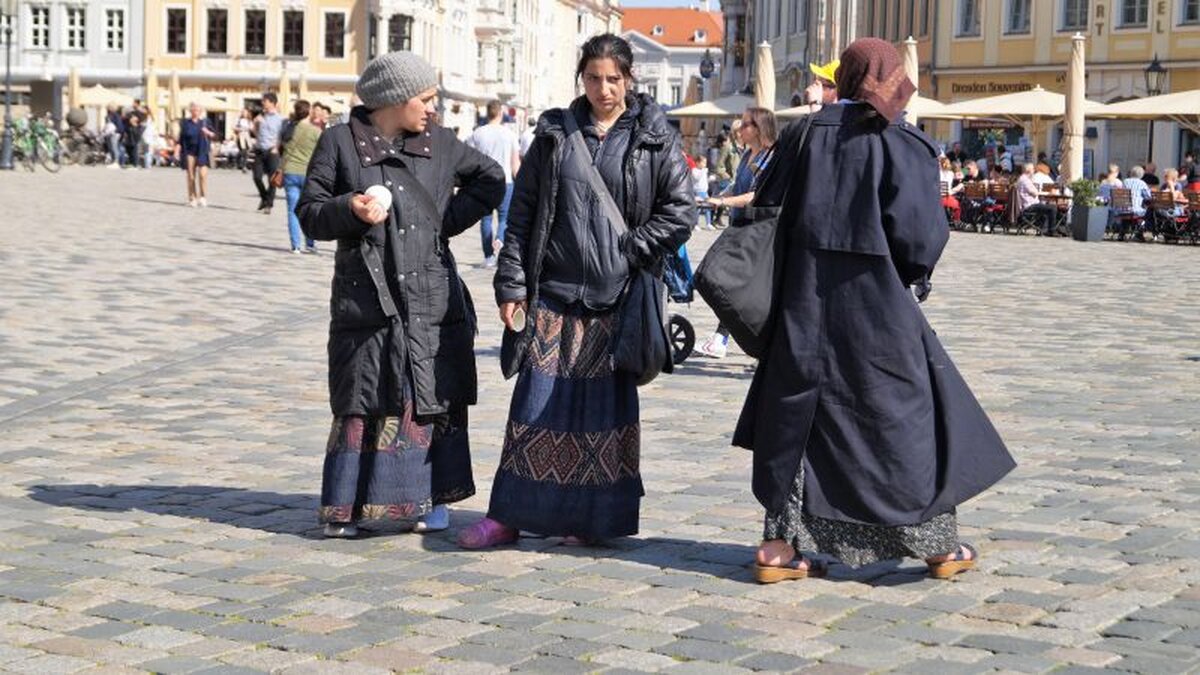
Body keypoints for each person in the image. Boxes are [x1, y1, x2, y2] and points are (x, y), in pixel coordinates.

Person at [736, 37, 1014, 584]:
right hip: (877, 306)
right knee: (903, 414)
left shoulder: (803, 134)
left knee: (796, 417)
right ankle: (937, 547)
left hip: (801, 301)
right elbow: (919, 238)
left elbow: (765, 208)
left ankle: (777, 549)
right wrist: (909, 274)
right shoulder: (901, 141)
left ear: (844, 77)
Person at [459, 33, 694, 549]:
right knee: (533, 409)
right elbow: (522, 215)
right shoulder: (554, 134)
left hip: (617, 300)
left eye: (613, 79)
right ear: (580, 78)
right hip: (553, 295)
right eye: (593, 78)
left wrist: (632, 249)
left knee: (601, 419)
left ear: (629, 79)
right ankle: (508, 516)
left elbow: (681, 212)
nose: (603, 89)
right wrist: (512, 283)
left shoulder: (653, 137)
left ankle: (589, 520)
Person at [297, 51, 505, 539]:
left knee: (429, 395)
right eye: (425, 98)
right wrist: (350, 209)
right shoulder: (339, 142)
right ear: (395, 98)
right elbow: (309, 212)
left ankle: (431, 499)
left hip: (430, 294)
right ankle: (348, 508)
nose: (433, 108)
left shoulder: (441, 143)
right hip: (366, 297)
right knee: (365, 393)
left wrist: (442, 225)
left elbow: (492, 180)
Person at [696, 106, 778, 359]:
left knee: (725, 281)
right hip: (739, 227)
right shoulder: (747, 155)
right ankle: (722, 337)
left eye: (745, 124)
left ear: (759, 128)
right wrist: (714, 198)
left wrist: (723, 202)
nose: (739, 129)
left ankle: (725, 337)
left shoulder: (770, 156)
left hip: (757, 232)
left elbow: (756, 195)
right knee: (727, 283)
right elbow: (737, 185)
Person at [468, 100, 521, 267]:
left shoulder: (477, 134)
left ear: (487, 112)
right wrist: (522, 183)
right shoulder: (510, 134)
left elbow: (470, 160)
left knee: (486, 219)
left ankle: (489, 257)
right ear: (500, 113)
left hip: (484, 181)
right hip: (505, 181)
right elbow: (515, 164)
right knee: (505, 217)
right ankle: (500, 239)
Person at [280, 99, 320, 254]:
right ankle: (310, 243)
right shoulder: (315, 131)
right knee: (309, 209)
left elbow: (282, 151)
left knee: (292, 211)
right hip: (308, 173)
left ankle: (295, 246)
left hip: (290, 172)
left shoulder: (288, 128)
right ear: (308, 112)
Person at [175, 102, 215, 207]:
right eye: (193, 110)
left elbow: (214, 135)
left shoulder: (205, 122)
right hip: (189, 151)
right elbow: (181, 138)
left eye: (197, 110)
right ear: (190, 111)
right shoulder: (185, 123)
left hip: (202, 150)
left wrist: (208, 132)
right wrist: (177, 150)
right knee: (191, 176)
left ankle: (203, 197)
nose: (195, 111)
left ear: (200, 111)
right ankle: (192, 198)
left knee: (203, 175)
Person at [253, 92, 284, 214]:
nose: (262, 103)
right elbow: (256, 133)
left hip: (272, 151)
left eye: (265, 101)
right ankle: (264, 197)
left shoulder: (280, 119)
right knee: (257, 177)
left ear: (272, 103)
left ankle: (269, 205)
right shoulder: (261, 117)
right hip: (259, 150)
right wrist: (256, 124)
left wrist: (276, 147)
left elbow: (281, 136)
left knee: (272, 180)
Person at [1013, 162, 1059, 235]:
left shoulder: (1022, 179)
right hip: (1029, 206)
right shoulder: (1025, 180)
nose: (1034, 170)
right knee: (1052, 208)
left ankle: (1044, 229)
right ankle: (1051, 231)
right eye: (1033, 169)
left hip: (1026, 205)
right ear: (1028, 170)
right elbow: (1035, 193)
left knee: (1047, 207)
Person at [692, 154, 712, 230]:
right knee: (698, 208)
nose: (705, 164)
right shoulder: (694, 170)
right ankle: (695, 224)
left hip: (705, 191)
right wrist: (703, 172)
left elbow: (704, 181)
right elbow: (697, 178)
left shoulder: (703, 171)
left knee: (708, 207)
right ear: (697, 162)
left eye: (705, 163)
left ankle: (708, 223)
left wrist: (710, 179)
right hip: (698, 192)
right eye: (703, 162)